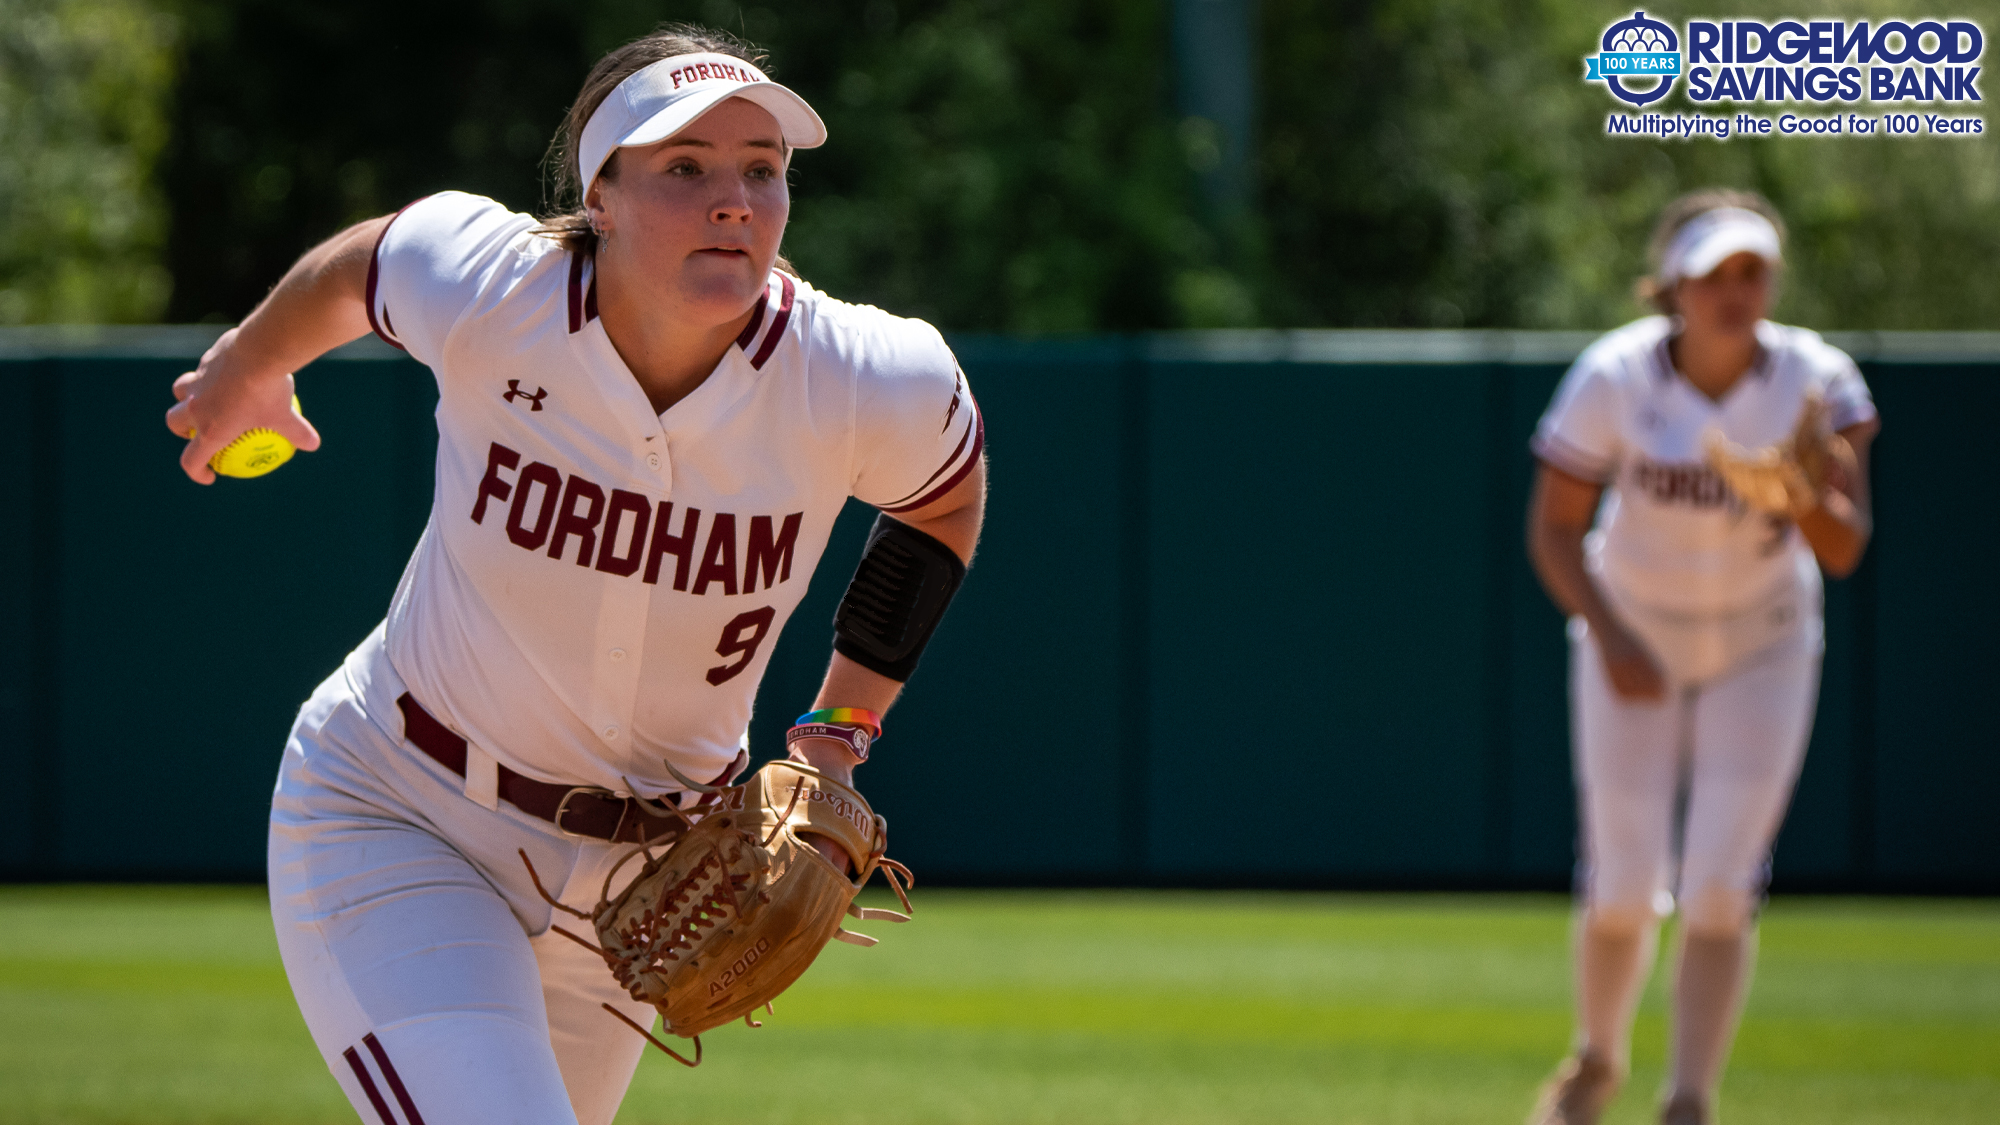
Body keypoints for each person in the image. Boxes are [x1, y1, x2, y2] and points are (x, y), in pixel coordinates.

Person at [164, 25, 985, 1125]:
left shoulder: (860, 374)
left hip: (644, 892)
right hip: (406, 812)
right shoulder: (493, 284)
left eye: (761, 168)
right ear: (599, 192)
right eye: (683, 168)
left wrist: (839, 730)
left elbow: (943, 495)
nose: (733, 198)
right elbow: (364, 262)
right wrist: (251, 362)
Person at [1523, 189, 1877, 1125]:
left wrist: (1802, 491)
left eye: (1751, 270)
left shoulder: (1815, 379)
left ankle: (1689, 1099)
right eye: (1714, 272)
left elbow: (1843, 549)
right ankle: (1596, 1060)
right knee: (1623, 880)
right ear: (1672, 285)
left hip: (1762, 641)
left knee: (1721, 884)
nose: (1735, 289)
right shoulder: (1616, 377)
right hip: (1634, 627)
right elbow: (1555, 530)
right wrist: (1608, 632)